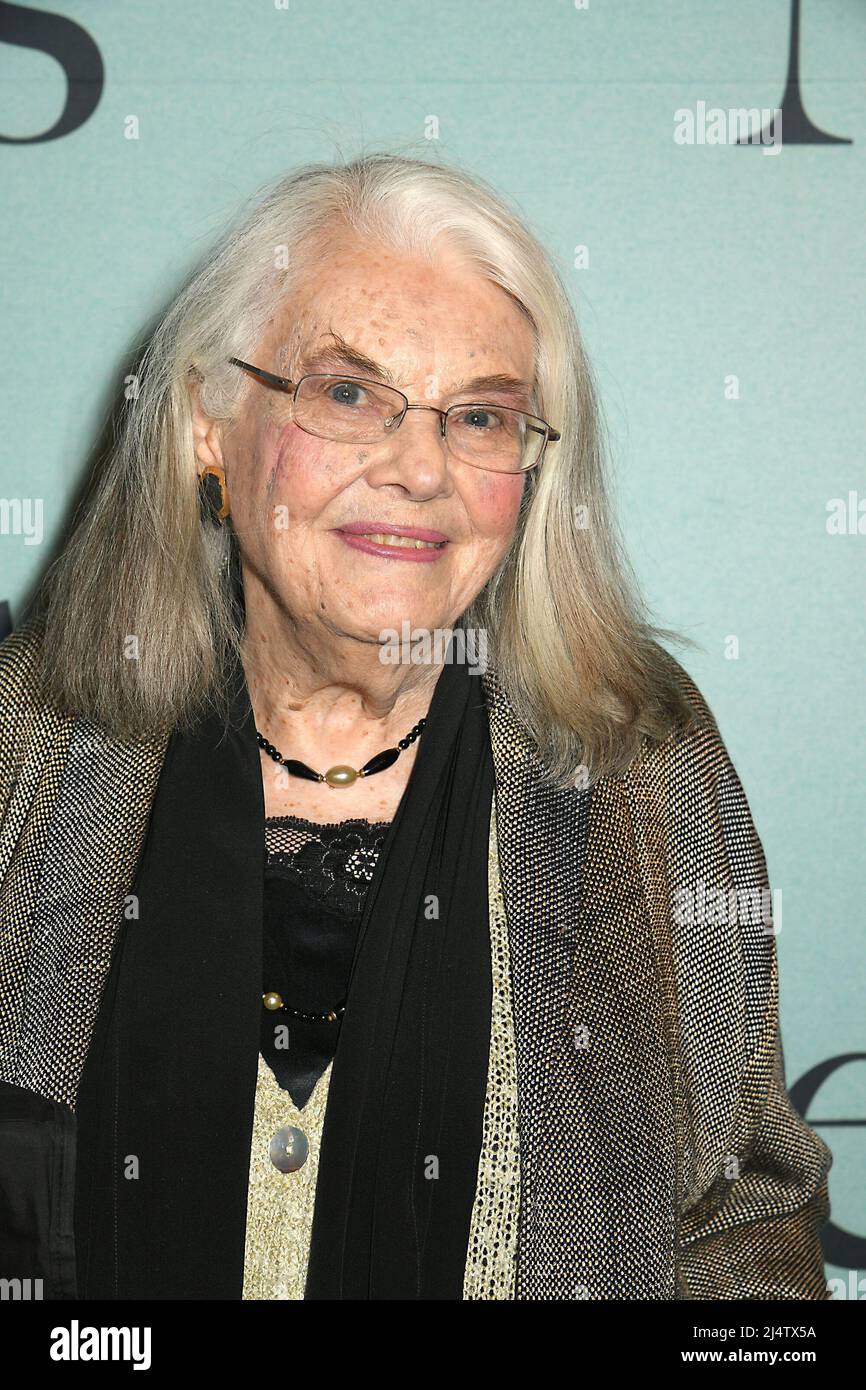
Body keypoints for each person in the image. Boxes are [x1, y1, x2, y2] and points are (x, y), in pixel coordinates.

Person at [0, 152, 832, 1300]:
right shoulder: (24, 733)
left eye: (480, 416)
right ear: (207, 424)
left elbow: (744, 1221)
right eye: (347, 393)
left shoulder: (640, 759)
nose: (421, 467)